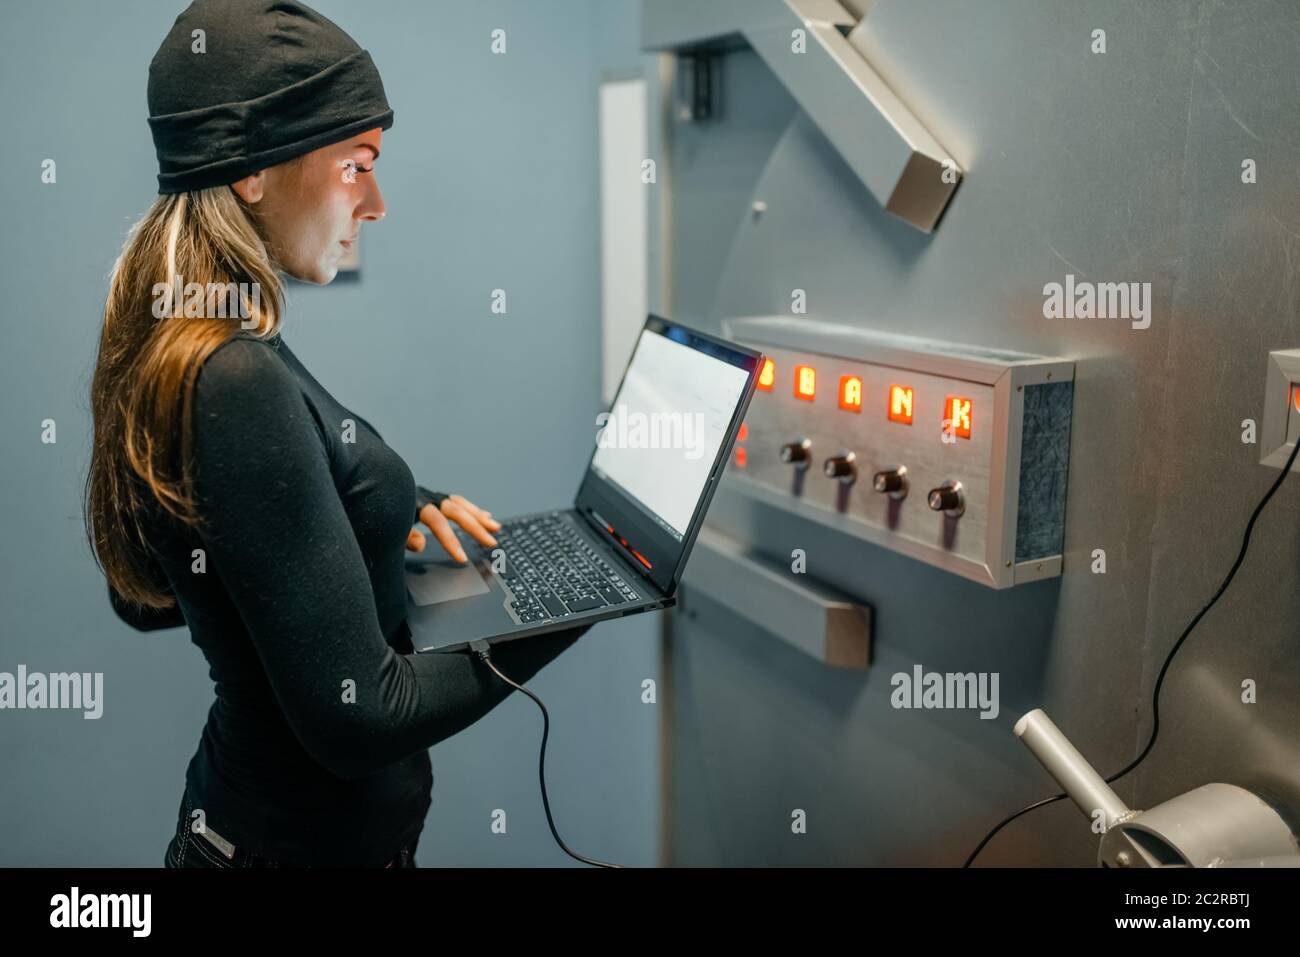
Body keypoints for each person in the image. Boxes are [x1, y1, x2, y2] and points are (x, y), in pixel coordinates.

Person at [83, 0, 587, 868]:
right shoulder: (231, 374)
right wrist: (577, 599)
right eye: (358, 166)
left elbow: (161, 583)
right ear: (252, 171)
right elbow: (363, 718)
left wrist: (376, 513)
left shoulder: (180, 336)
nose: (378, 203)